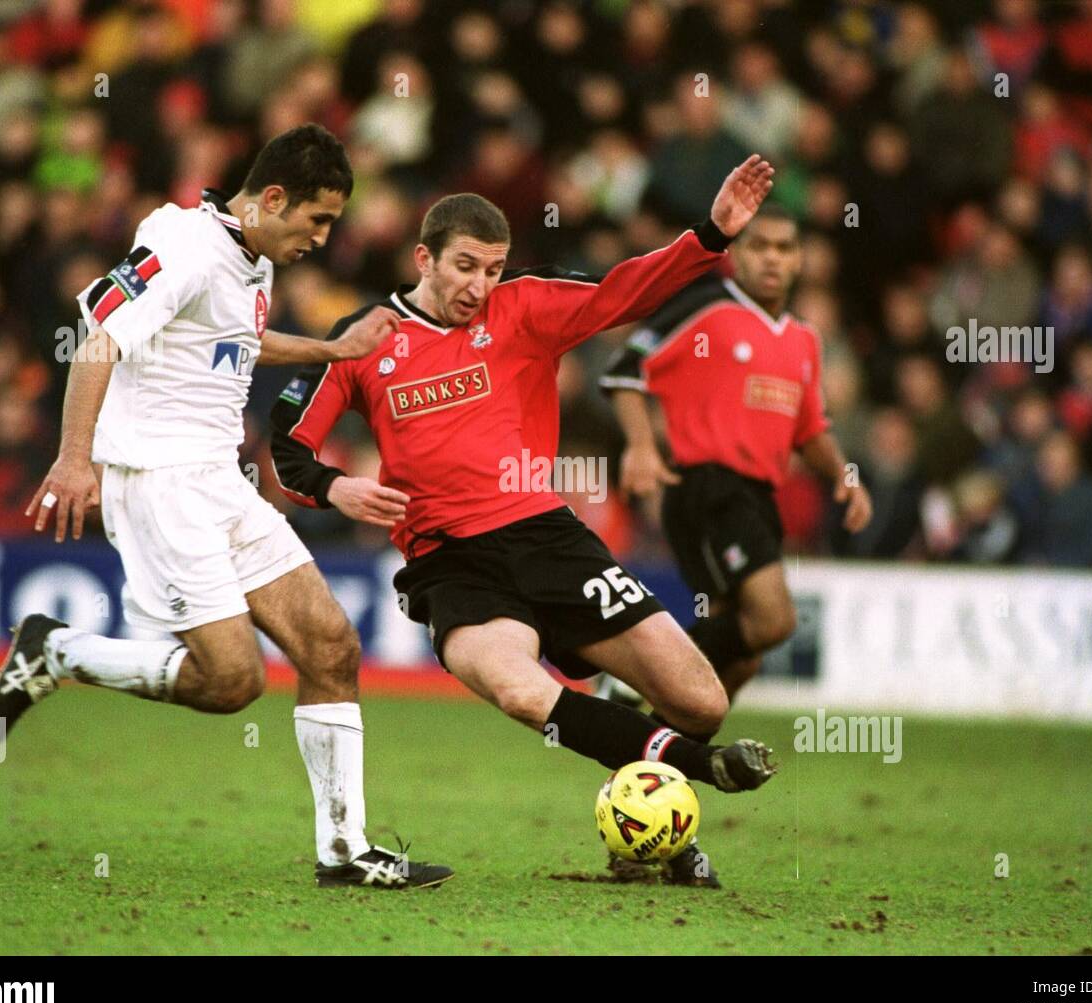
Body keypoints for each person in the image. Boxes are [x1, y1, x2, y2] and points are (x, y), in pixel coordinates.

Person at [272, 156, 778, 887]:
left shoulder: (525, 306)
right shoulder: (367, 336)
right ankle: (688, 789)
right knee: (518, 689)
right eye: (465, 267)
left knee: (702, 698)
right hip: (452, 563)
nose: (479, 287)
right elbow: (288, 439)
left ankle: (641, 802)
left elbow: (621, 292)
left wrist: (711, 234)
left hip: (548, 538)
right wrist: (335, 488)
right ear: (425, 258)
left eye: (494, 269)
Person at [0, 124, 451, 890]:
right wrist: (74, 458)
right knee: (232, 682)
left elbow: (235, 339)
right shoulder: (185, 244)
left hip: (220, 481)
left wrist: (331, 352)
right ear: (273, 197)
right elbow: (99, 335)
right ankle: (58, 651)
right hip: (161, 482)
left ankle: (346, 850)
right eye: (318, 219)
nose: (324, 237)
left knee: (331, 646)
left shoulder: (252, 257)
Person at [598, 203, 872, 704]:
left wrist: (843, 475)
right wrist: (639, 446)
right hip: (707, 487)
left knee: (740, 654)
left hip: (760, 496)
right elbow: (623, 368)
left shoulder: (803, 339)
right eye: (759, 246)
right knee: (773, 620)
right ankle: (631, 678)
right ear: (736, 256)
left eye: (784, 248)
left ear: (799, 260)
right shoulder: (707, 308)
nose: (772, 259)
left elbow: (810, 429)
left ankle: (664, 752)